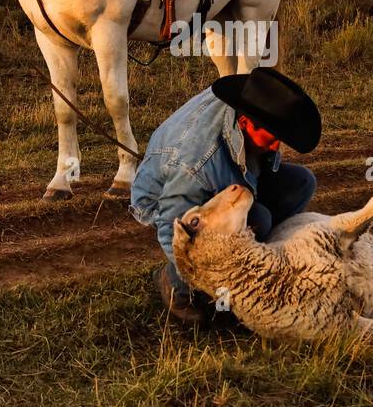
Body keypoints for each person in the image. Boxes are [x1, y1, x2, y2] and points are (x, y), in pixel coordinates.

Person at [129, 68, 322, 325]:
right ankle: (175, 285)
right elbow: (173, 228)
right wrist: (196, 277)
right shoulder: (196, 163)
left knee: (302, 183)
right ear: (245, 122)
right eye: (271, 136)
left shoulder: (249, 105)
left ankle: (264, 263)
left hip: (231, 176)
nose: (276, 146)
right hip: (165, 200)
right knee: (258, 219)